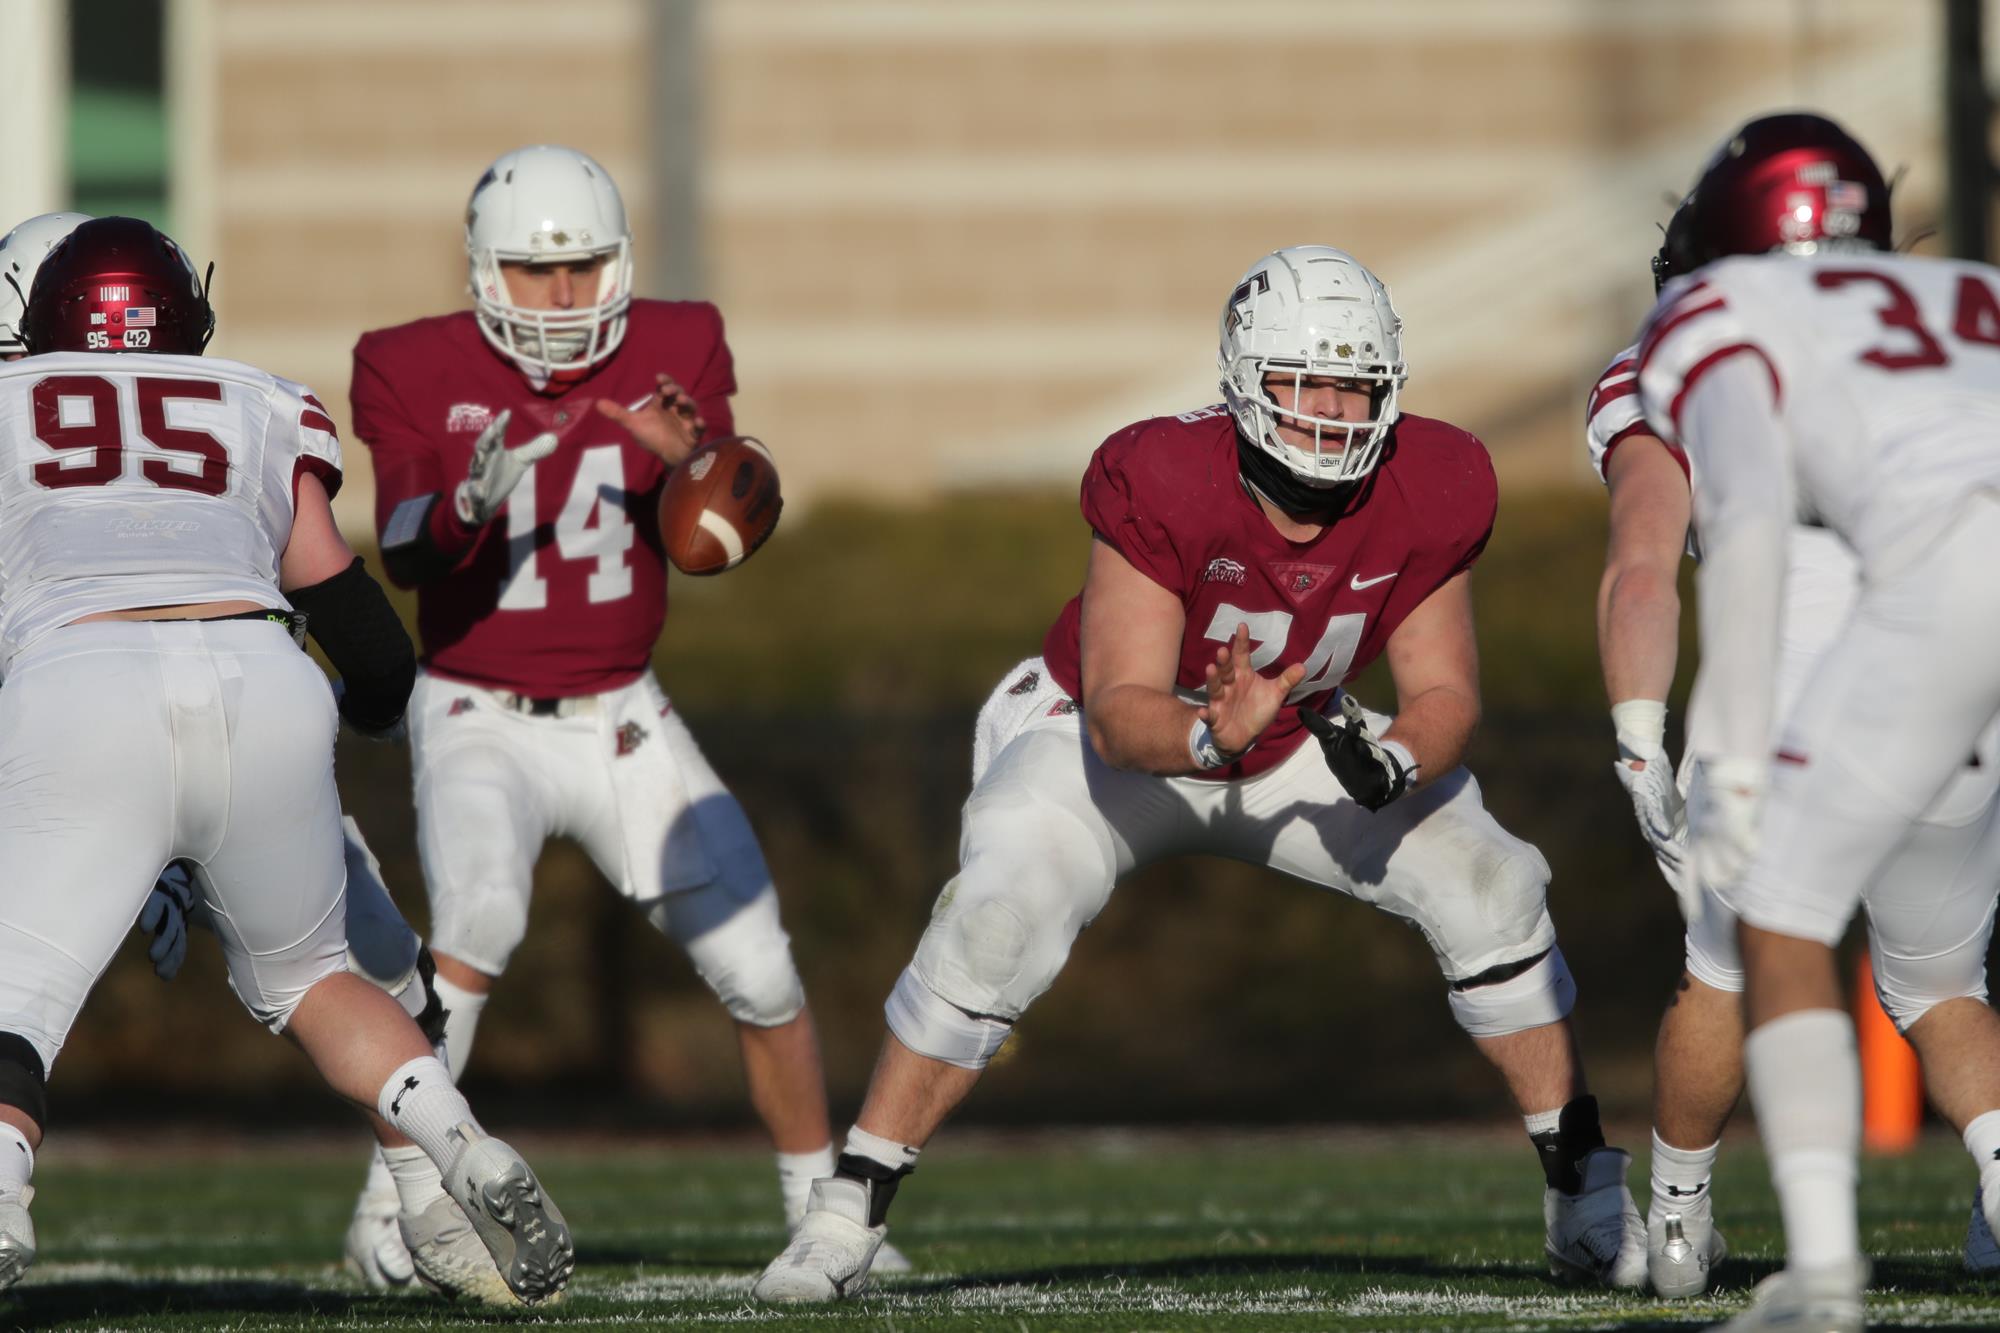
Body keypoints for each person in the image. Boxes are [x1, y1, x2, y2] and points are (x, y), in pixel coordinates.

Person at [754, 244, 1648, 1302]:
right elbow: (1122, 707)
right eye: (1303, 380)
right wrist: (1212, 735)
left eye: (1352, 383)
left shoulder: (1431, 480)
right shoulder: (1162, 475)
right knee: (996, 915)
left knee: (1492, 882)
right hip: (1111, 737)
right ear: (1242, 382)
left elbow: (1443, 691)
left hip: (1302, 735)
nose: (1329, 407)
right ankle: (845, 1208)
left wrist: (1393, 757)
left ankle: (1583, 1195)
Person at [347, 144, 905, 1273]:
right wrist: (465, 505)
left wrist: (689, 459)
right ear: (480, 272)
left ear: (620, 264)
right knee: (480, 922)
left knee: (759, 965)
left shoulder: (676, 342)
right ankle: (389, 1208)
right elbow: (404, 553)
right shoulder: (405, 363)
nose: (561, 299)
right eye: (533, 273)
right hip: (475, 708)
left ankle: (821, 1212)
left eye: (584, 270)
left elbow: (726, 516)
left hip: (618, 709)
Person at [0, 216, 572, 1301]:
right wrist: (362, 711)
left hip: (80, 685)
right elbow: (360, 630)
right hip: (263, 682)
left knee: (14, 995)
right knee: (320, 980)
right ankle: (459, 1146)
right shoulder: (257, 402)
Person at [1591, 195, 2000, 1297]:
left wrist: (1637, 727)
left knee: (1724, 973)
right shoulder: (1958, 318)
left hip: (1783, 704)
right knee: (1934, 986)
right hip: (1957, 687)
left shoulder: (1682, 355)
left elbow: (1641, 563)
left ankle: (1678, 1224)